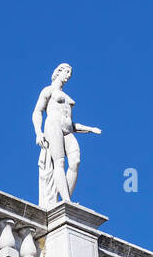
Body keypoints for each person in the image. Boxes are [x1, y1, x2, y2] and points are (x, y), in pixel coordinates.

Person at [31, 64, 101, 208]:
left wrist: (90, 129)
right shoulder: (48, 90)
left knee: (75, 162)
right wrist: (38, 132)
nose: (69, 75)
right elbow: (37, 111)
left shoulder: (67, 96)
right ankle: (66, 200)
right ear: (58, 71)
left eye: (70, 73)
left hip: (67, 130)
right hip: (53, 125)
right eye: (67, 72)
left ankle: (62, 198)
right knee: (60, 162)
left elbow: (71, 124)